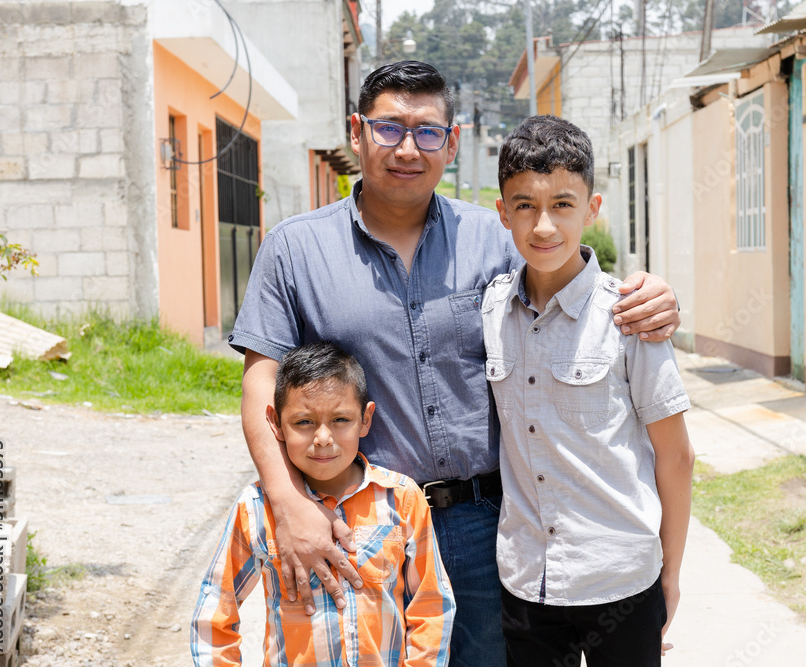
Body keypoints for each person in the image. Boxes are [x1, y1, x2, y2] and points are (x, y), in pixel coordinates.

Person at [228, 60, 683, 666]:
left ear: (452, 141)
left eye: (428, 132)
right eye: (389, 129)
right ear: (357, 133)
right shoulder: (295, 248)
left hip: (487, 527)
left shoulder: (496, 236)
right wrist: (288, 503)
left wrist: (651, 293)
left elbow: (569, 268)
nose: (408, 149)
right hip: (362, 524)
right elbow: (261, 379)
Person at [482, 115, 695, 667]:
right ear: (502, 211)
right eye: (524, 204)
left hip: (620, 577)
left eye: (563, 204)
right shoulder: (491, 310)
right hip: (527, 580)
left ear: (592, 208)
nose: (544, 225)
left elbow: (675, 456)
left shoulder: (628, 316)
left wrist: (670, 571)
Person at [191, 343, 455, 666]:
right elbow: (214, 615)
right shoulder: (256, 509)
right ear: (275, 422)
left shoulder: (402, 499)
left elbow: (432, 608)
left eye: (341, 419)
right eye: (304, 422)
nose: (323, 438)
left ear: (365, 418)